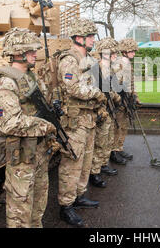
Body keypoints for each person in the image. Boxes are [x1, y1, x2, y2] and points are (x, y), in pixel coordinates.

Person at [0, 27, 56, 228]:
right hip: (21, 157)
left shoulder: (31, 77)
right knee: (20, 211)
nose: (35, 54)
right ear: (17, 53)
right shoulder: (6, 82)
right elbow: (7, 123)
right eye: (30, 51)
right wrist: (44, 126)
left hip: (39, 152)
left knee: (37, 207)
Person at [54, 18, 106, 227]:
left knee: (85, 160)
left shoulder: (89, 59)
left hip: (89, 117)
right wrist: (97, 93)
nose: (93, 40)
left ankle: (78, 195)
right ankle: (66, 206)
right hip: (74, 121)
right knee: (72, 163)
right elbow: (73, 88)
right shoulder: (69, 60)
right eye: (90, 36)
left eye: (93, 36)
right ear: (79, 38)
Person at [89, 38, 121, 187]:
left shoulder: (110, 69)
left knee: (107, 139)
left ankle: (103, 164)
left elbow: (111, 89)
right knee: (99, 142)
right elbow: (96, 91)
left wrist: (116, 97)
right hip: (100, 110)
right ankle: (94, 172)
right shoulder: (96, 69)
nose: (115, 55)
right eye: (112, 53)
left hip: (109, 108)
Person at [111, 38, 141, 165]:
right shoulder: (119, 64)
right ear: (124, 51)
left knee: (123, 125)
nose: (134, 53)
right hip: (119, 100)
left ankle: (119, 147)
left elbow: (131, 82)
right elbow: (114, 83)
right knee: (116, 126)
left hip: (126, 100)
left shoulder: (128, 63)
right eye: (132, 51)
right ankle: (113, 151)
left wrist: (134, 95)